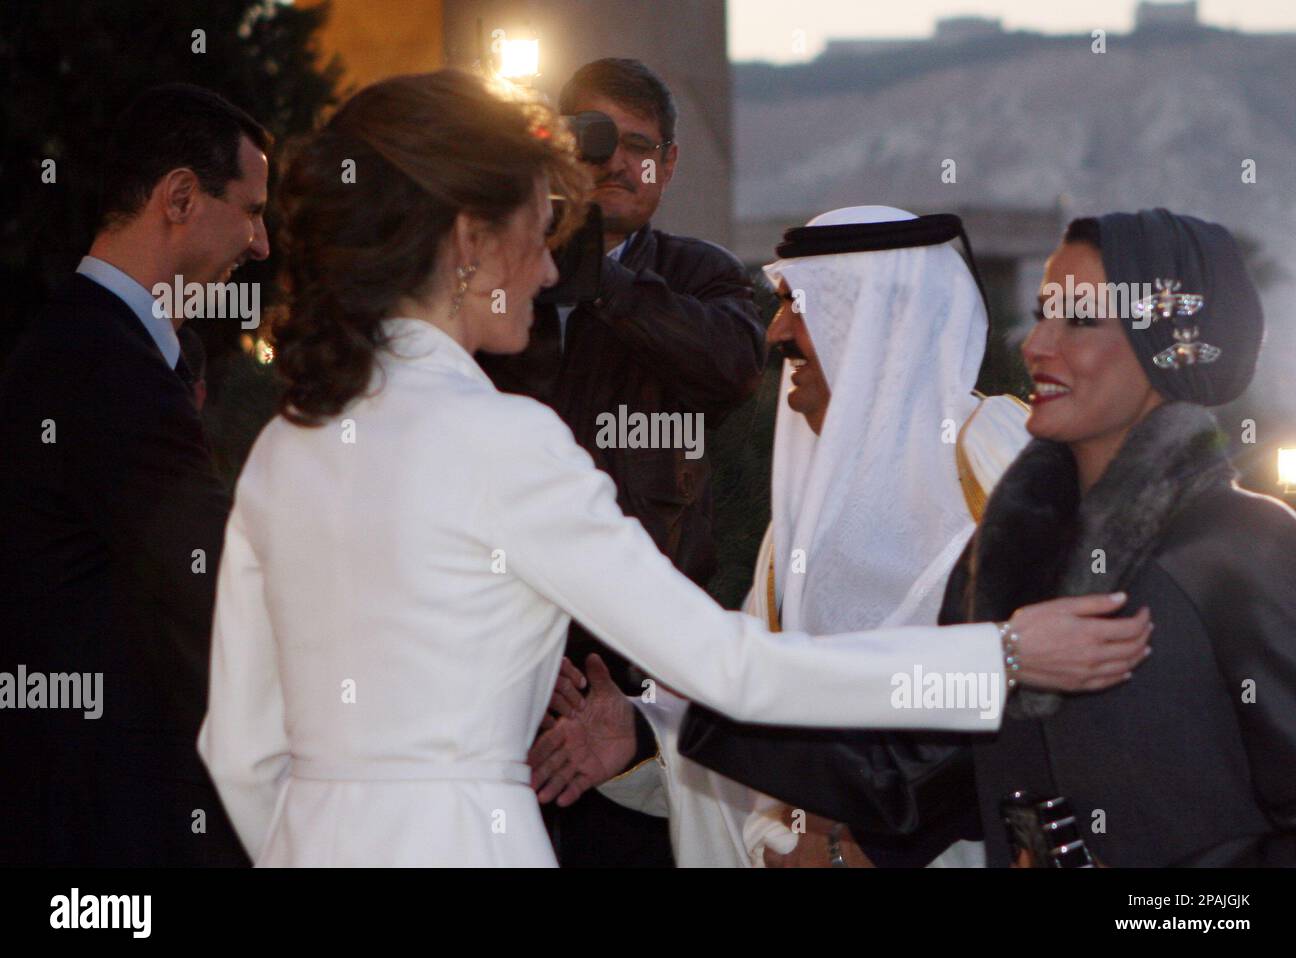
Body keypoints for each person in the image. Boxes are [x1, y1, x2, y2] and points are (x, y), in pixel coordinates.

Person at [196, 71, 1150, 868]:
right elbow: (737, 668)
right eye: (542, 234)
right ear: (467, 244)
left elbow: (236, 749)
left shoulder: (288, 443)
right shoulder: (506, 440)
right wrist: (1004, 655)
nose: (551, 273)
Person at [528, 208, 1041, 867]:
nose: (777, 334)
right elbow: (770, 708)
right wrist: (643, 734)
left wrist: (867, 847)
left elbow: (1038, 696)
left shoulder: (994, 459)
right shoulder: (802, 526)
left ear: (880, 321)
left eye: (800, 305)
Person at [939, 210, 1296, 866]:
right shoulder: (1005, 551)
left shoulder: (1244, 546)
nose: (1035, 344)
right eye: (1042, 311)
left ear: (1167, 346)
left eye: (1078, 318)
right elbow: (930, 775)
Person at [478, 56, 766, 867]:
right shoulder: (503, 275)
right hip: (504, 657)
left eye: (637, 146)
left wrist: (599, 274)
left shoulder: (698, 273)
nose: (615, 164)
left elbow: (733, 366)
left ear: (669, 164)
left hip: (642, 679)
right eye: (594, 142)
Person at [0, 83, 270, 865]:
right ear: (180, 197)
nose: (263, 245)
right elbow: (218, 585)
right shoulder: (102, 365)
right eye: (252, 211)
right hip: (104, 829)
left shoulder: (96, 344)